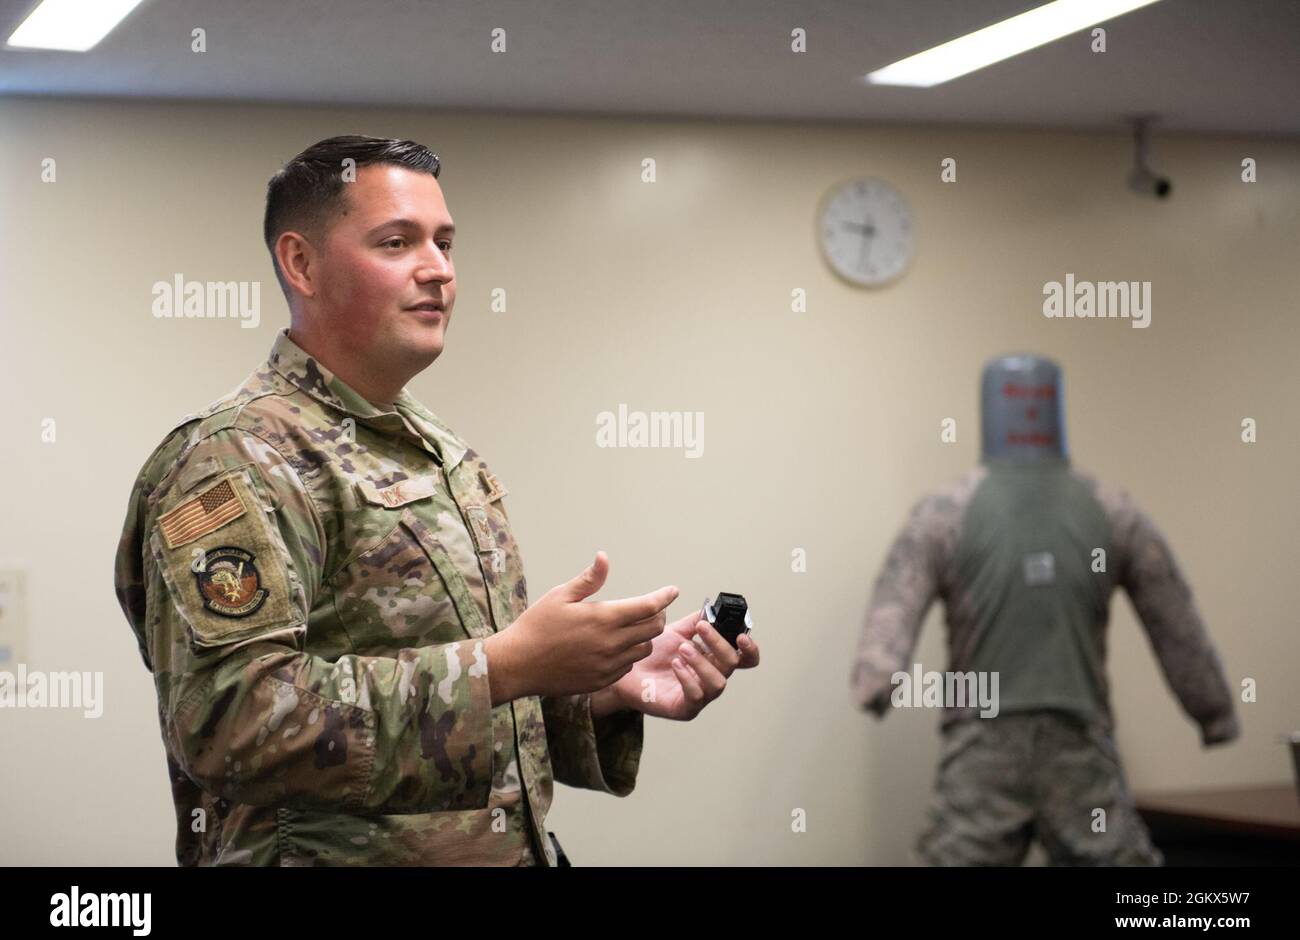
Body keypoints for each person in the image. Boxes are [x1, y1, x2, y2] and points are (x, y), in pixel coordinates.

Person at [113, 135, 760, 866]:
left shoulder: (436, 446)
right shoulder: (234, 457)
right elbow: (232, 724)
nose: (439, 271)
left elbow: (463, 706)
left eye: (445, 243)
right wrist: (505, 667)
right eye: (397, 242)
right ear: (301, 264)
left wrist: (598, 690)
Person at [850, 353, 1237, 866]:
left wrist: (877, 679)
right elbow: (1175, 622)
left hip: (983, 752)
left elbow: (893, 605)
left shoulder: (946, 512)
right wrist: (1213, 712)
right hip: (1075, 745)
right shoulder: (1112, 510)